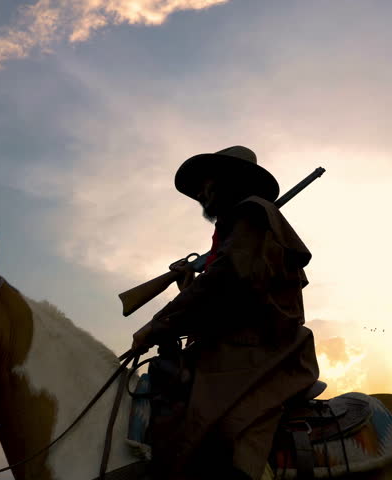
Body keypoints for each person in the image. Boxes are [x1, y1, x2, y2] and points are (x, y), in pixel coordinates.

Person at [131, 146, 320, 480]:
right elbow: (228, 291)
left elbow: (227, 279)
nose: (201, 192)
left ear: (230, 182)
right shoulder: (238, 226)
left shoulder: (251, 212)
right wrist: (189, 284)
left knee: (206, 427)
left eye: (208, 183)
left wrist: (157, 325)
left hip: (260, 349)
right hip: (239, 345)